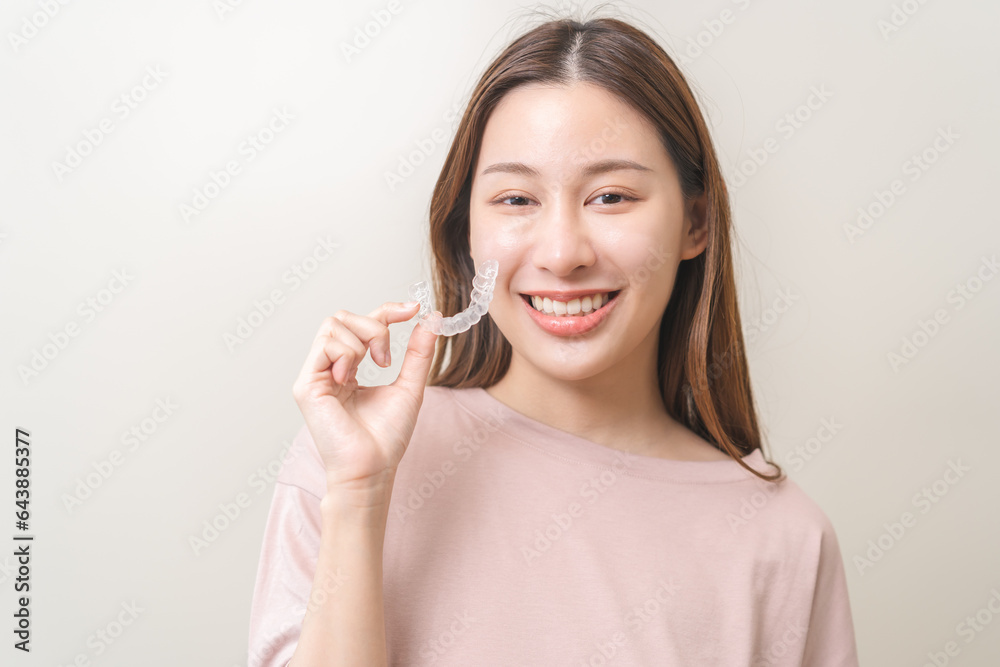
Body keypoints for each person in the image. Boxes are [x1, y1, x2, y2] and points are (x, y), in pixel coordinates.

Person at [247, 13, 860, 667]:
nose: (563, 253)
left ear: (695, 222)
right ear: (466, 233)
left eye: (611, 197)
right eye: (516, 200)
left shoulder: (785, 540)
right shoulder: (351, 458)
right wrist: (359, 494)